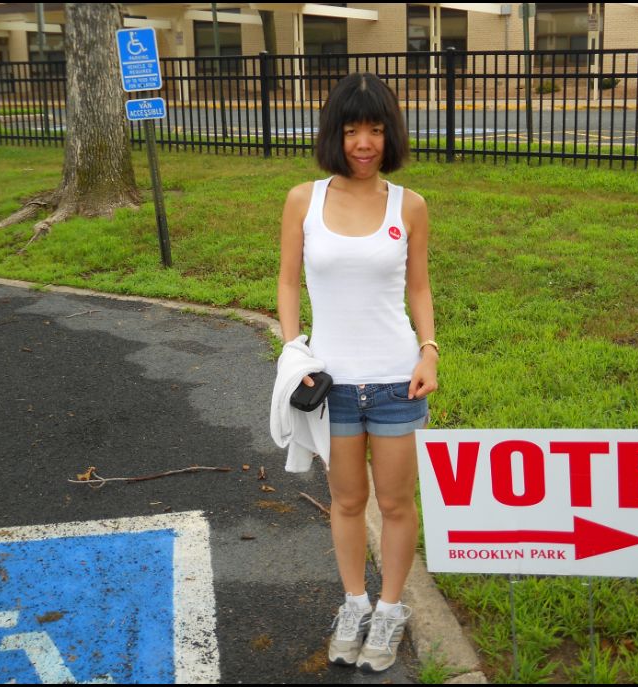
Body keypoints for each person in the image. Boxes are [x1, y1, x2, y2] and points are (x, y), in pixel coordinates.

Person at [276, 72, 438, 674]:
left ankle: (390, 610)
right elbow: (288, 280)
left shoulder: (409, 205)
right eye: (351, 130)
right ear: (334, 135)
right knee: (347, 503)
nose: (364, 143)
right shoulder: (303, 199)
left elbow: (418, 287)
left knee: (396, 505)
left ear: (388, 134)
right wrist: (294, 347)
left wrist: (430, 349)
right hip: (332, 386)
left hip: (398, 380)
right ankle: (353, 604)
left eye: (374, 130)